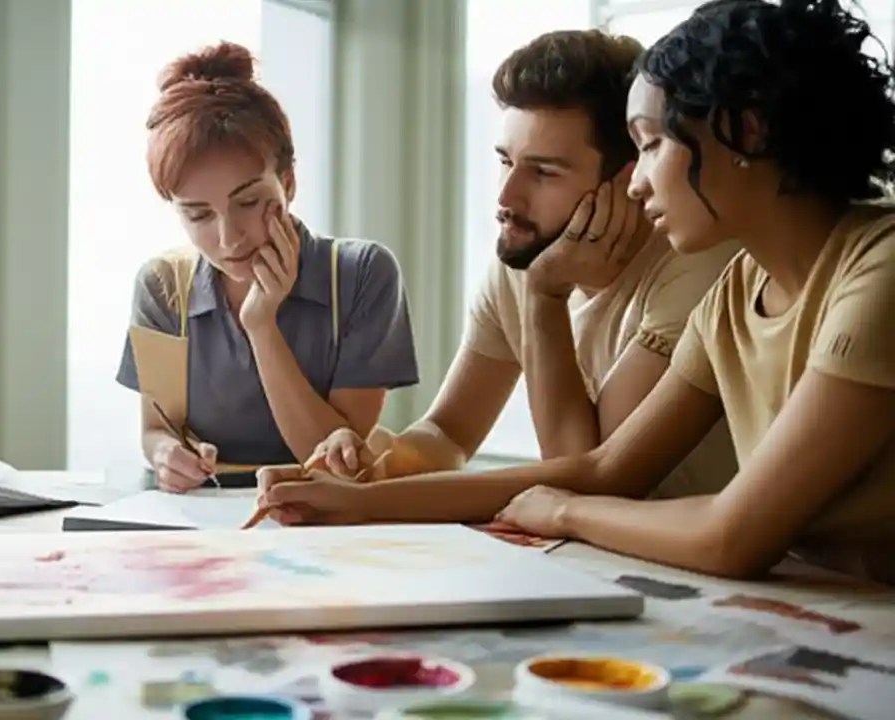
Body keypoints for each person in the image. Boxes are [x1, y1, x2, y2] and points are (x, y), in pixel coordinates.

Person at [259, 0, 895, 585]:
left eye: (651, 146)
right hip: (824, 599)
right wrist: (359, 503)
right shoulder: (738, 290)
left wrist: (564, 513)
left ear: (746, 133)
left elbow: (731, 535)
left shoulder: (879, 271)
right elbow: (606, 469)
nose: (641, 185)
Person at [294, 29, 737, 499]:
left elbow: (586, 473)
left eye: (544, 173)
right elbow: (448, 434)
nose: (506, 197)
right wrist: (373, 462)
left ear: (626, 179)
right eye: (506, 162)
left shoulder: (694, 266)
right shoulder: (523, 257)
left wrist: (544, 295)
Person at [116, 42, 419, 492]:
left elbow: (333, 462)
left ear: (289, 182)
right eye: (198, 215)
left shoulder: (361, 276)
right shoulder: (163, 286)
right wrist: (166, 456)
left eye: (249, 202)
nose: (228, 238)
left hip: (326, 519)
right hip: (200, 521)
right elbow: (158, 429)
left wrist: (261, 326)